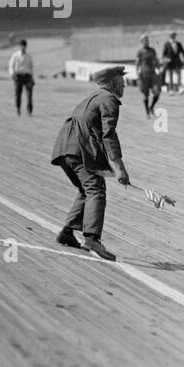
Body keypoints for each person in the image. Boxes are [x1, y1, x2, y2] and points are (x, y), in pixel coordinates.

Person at [50, 65, 131, 261]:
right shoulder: (109, 99)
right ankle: (92, 238)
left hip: (64, 148)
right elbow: (108, 134)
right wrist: (120, 168)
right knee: (95, 189)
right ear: (113, 82)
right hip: (77, 150)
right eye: (122, 81)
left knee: (86, 190)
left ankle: (67, 233)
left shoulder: (94, 97)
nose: (125, 85)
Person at [136, 34, 162, 117]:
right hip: (144, 75)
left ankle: (151, 107)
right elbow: (137, 64)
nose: (147, 41)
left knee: (157, 92)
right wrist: (137, 75)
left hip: (153, 74)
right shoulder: (140, 52)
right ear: (142, 42)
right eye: (145, 40)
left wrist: (159, 69)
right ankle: (147, 112)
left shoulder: (152, 50)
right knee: (145, 95)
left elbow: (156, 60)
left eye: (147, 39)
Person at [9, 38, 35, 116]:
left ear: (26, 46)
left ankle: (29, 111)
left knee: (29, 94)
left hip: (27, 76)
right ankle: (18, 109)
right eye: (21, 46)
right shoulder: (15, 55)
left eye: (24, 46)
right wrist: (12, 74)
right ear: (19, 46)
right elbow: (11, 65)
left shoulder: (29, 56)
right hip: (18, 76)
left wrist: (32, 77)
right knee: (18, 93)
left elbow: (31, 67)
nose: (23, 47)